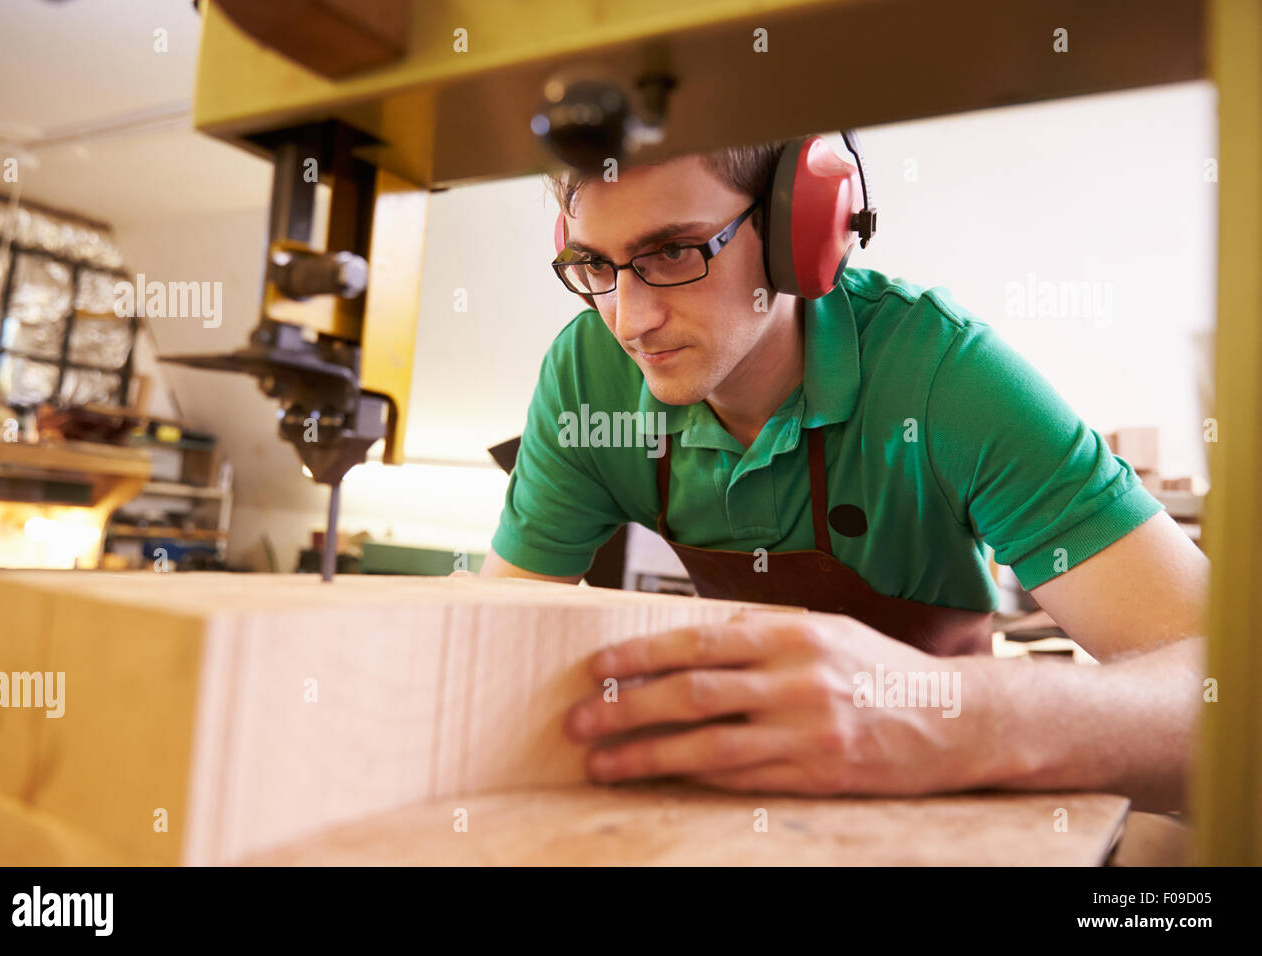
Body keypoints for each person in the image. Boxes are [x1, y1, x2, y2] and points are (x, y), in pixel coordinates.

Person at [477, 135, 1208, 811]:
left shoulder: (942, 374)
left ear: (803, 230)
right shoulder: (585, 376)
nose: (630, 320)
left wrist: (945, 716)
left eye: (673, 252)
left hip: (946, 816)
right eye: (595, 265)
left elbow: (1225, 693)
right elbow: (492, 645)